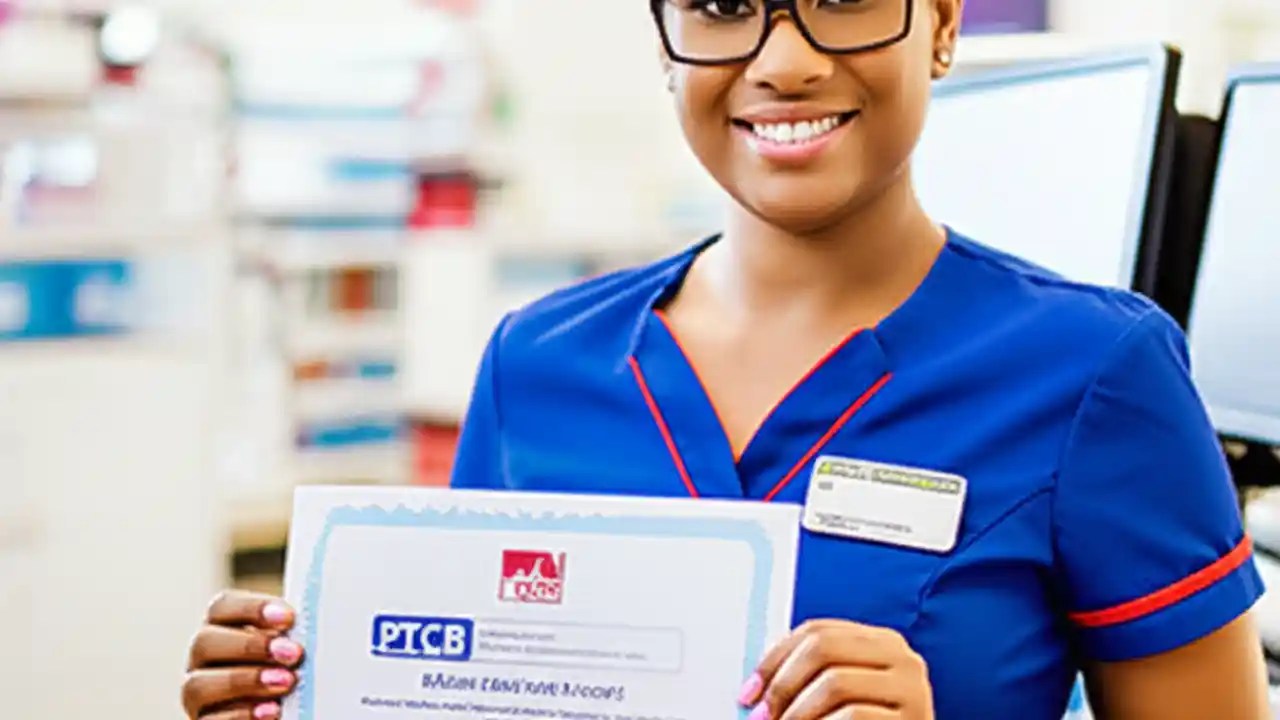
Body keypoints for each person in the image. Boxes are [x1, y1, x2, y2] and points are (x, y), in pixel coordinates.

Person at [182, 1, 1272, 718]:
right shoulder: (537, 364)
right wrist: (301, 690)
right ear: (664, 44)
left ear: (938, 25)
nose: (783, 61)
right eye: (718, 7)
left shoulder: (1095, 373)